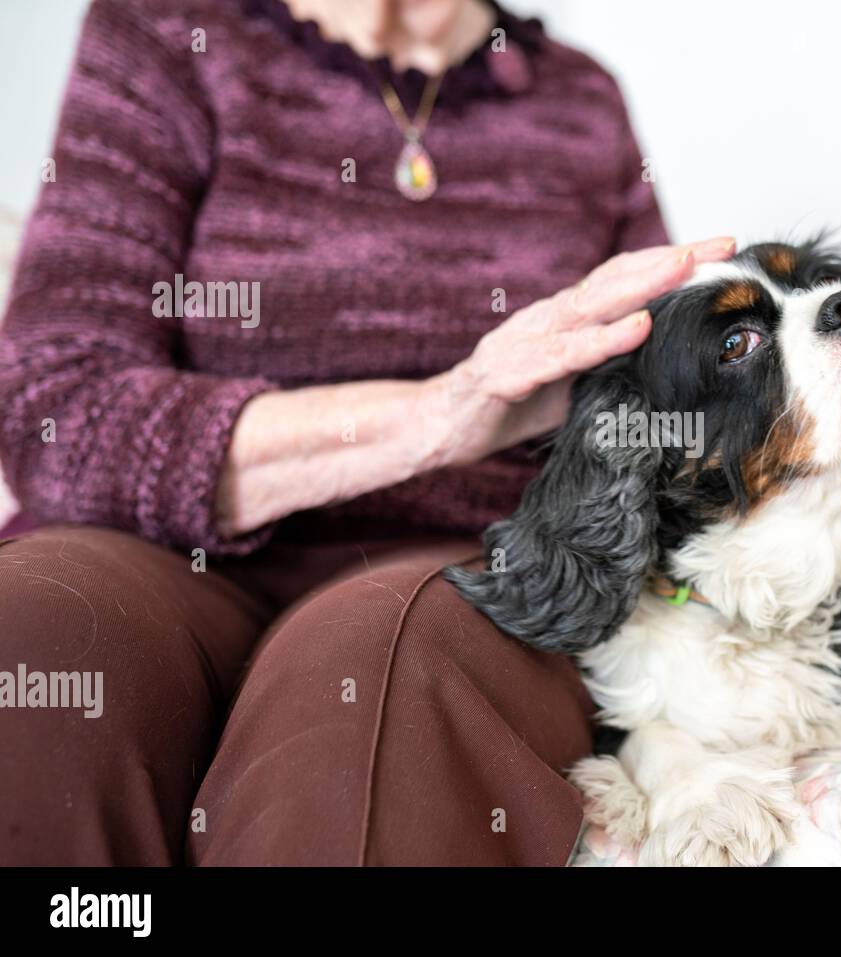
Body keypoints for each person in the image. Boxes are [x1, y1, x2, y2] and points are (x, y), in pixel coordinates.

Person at [0, 0, 735, 865]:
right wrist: (440, 413)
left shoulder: (578, 100)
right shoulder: (167, 35)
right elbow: (54, 408)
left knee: (370, 682)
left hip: (461, 556)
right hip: (156, 550)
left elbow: (662, 417)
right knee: (40, 636)